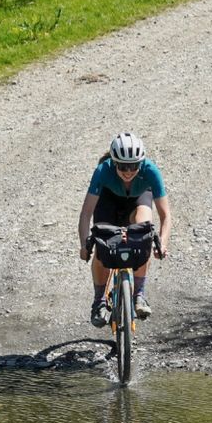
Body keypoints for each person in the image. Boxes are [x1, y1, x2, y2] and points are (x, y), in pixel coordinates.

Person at [77, 131, 171, 328]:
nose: (128, 171)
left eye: (134, 166)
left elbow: (165, 215)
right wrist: (84, 244)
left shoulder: (151, 170)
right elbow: (86, 213)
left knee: (143, 234)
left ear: (141, 162)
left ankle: (139, 295)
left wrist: (162, 243)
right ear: (114, 162)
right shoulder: (103, 170)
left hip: (138, 200)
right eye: (122, 166)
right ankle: (99, 301)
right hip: (108, 202)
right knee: (102, 246)